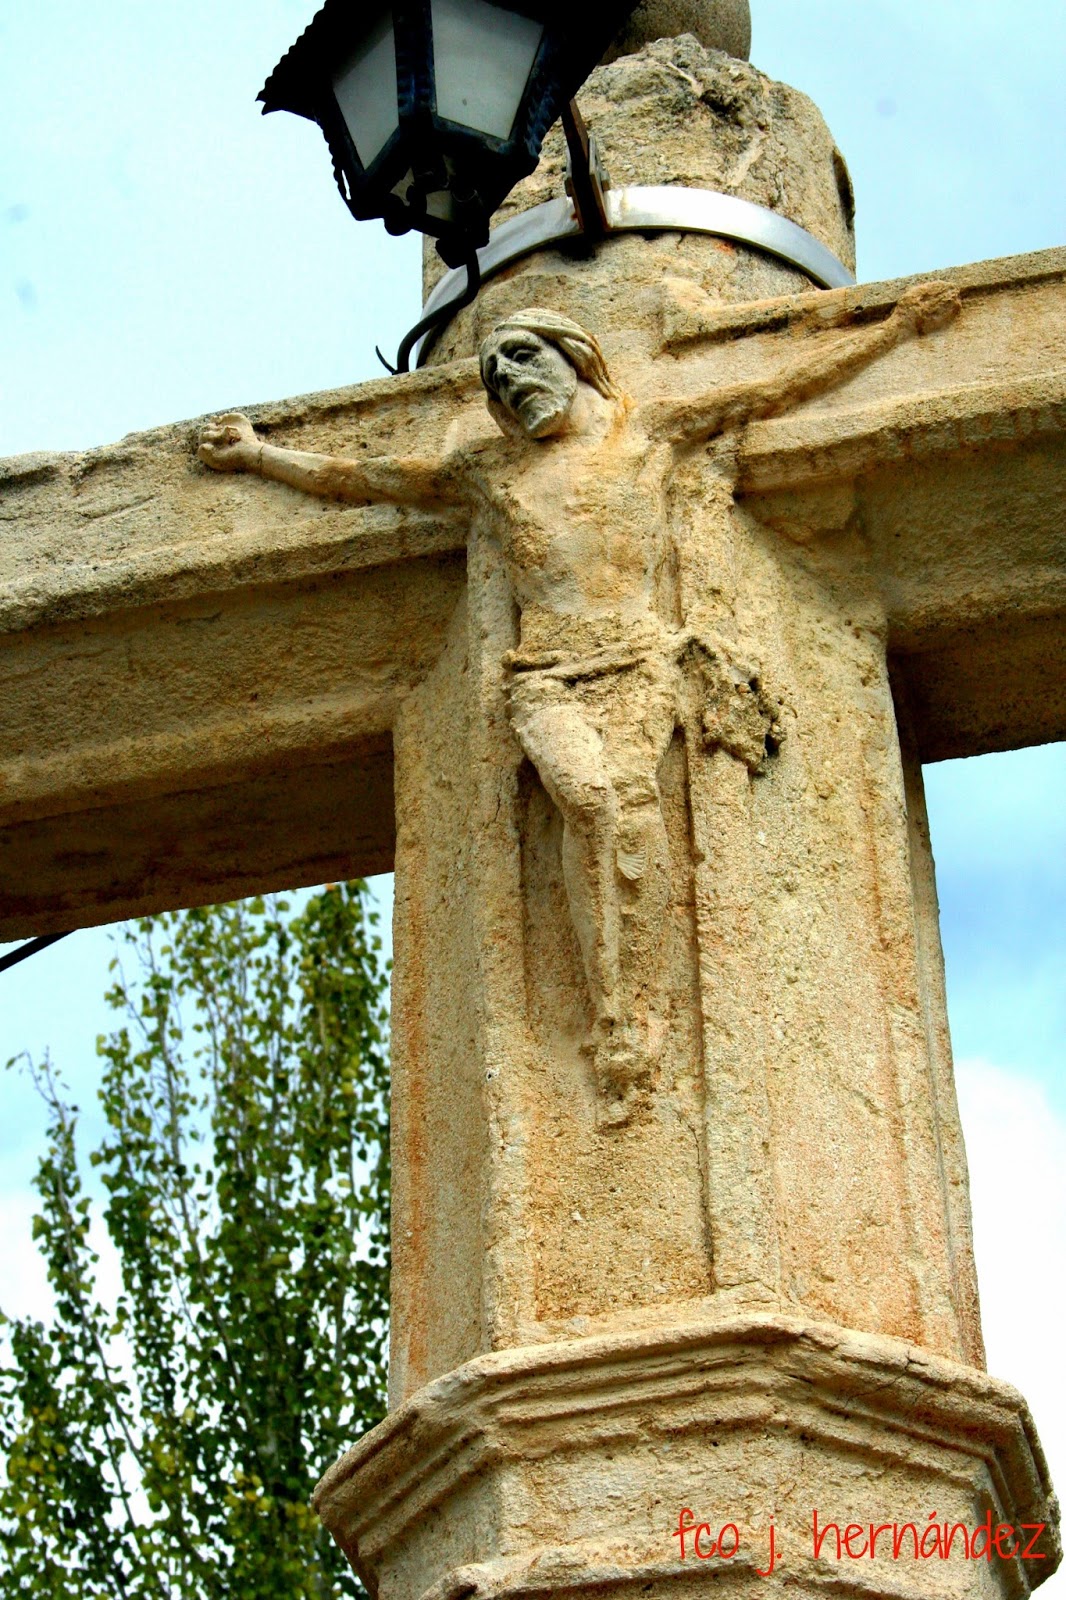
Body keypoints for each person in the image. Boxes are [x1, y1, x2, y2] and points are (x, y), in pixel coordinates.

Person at [199, 283, 959, 1121]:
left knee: (630, 813)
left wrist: (895, 332)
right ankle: (607, 1010)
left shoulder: (651, 433)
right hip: (545, 674)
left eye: (523, 357)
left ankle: (632, 1010)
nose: (509, 381)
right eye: (493, 377)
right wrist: (258, 455)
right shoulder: (487, 471)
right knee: (588, 799)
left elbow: (778, 388)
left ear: (578, 357)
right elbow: (367, 479)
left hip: (637, 661)